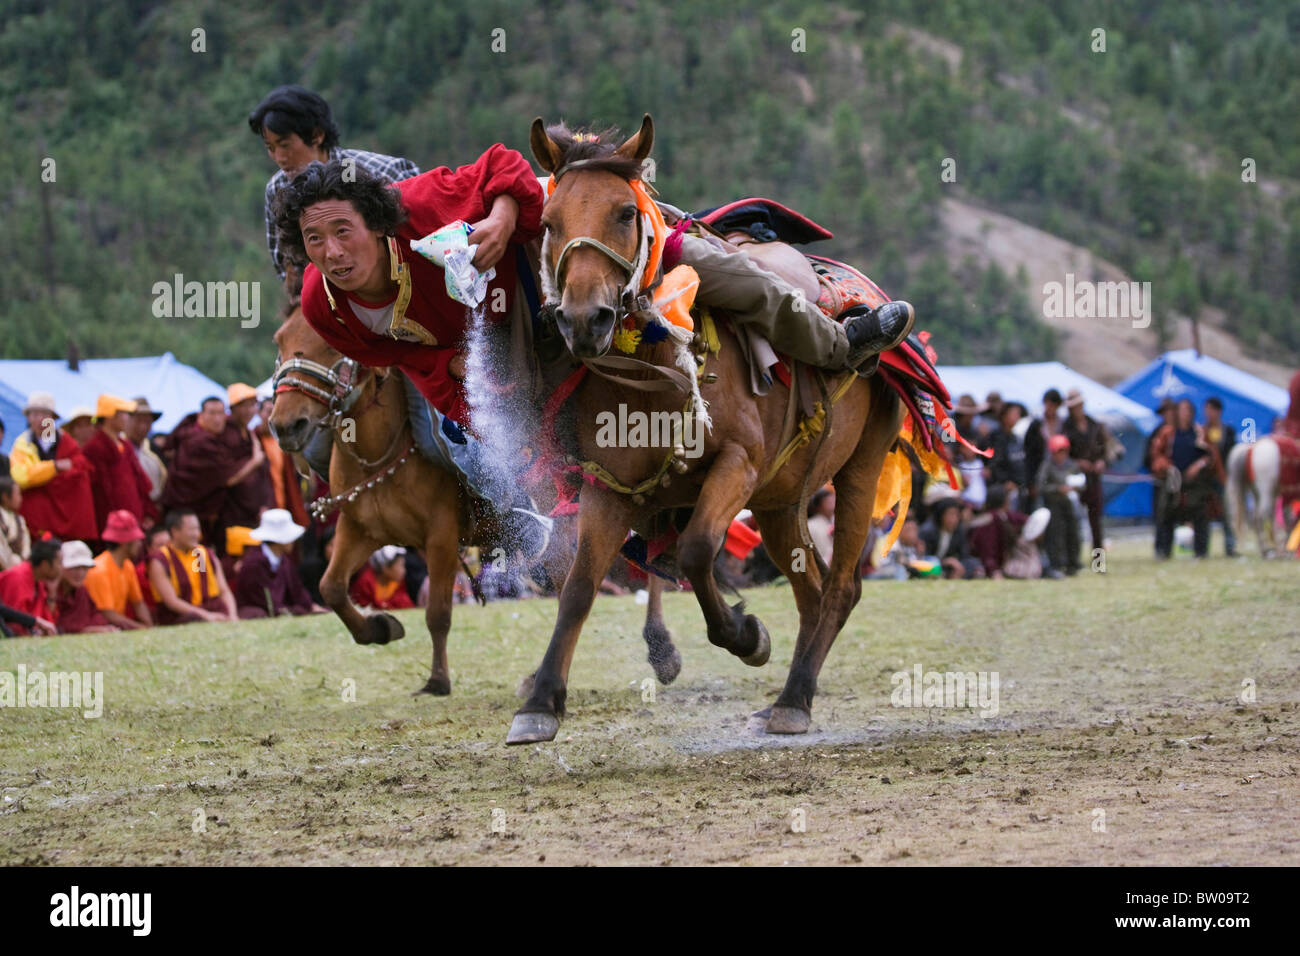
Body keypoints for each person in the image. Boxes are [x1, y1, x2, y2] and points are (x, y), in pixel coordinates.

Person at [249, 84, 420, 282]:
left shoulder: (360, 171)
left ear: (317, 135)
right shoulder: (278, 188)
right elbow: (287, 265)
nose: (279, 157)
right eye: (270, 148)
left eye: (285, 145)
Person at [162, 392, 270, 555]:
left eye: (221, 413)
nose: (217, 419)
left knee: (202, 556)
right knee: (193, 556)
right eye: (212, 413)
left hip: (205, 514)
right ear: (201, 415)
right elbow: (228, 479)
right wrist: (254, 461)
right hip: (188, 512)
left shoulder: (215, 438)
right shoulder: (199, 441)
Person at [8, 392, 98, 543]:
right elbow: (20, 476)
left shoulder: (65, 442)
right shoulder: (22, 444)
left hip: (67, 517)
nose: (39, 419)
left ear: (52, 418)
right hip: (37, 520)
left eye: (44, 414)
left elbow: (79, 469)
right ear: (28, 418)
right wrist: (54, 467)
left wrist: (41, 474)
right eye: (34, 414)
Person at [1150, 398, 1222, 559]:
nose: (1185, 414)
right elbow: (1156, 456)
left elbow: (1211, 456)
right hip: (1173, 482)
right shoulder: (1167, 433)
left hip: (1195, 484)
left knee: (1201, 515)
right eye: (1182, 410)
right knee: (1165, 515)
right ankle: (1163, 551)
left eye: (1188, 410)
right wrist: (1167, 466)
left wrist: (1199, 465)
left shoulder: (1200, 433)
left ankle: (1201, 552)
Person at [80, 394, 158, 533]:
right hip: (112, 524)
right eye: (124, 414)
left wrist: (147, 511)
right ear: (111, 416)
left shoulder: (124, 445)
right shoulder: (95, 448)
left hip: (135, 521)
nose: (127, 418)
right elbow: (101, 493)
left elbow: (139, 483)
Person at [148, 509, 238, 624]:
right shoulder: (161, 559)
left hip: (213, 611)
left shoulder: (202, 554)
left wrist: (232, 614)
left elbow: (224, 591)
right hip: (182, 616)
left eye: (197, 529)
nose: (197, 534)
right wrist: (206, 616)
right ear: (175, 531)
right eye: (191, 529)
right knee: (193, 619)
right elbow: (171, 601)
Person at [234, 509, 324, 618]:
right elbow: (268, 604)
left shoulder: (284, 562)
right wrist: (299, 610)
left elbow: (298, 592)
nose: (293, 541)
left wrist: (309, 606)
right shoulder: (253, 564)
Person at [1062, 388, 1114, 555]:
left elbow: (1105, 450)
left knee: (1096, 523)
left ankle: (1098, 562)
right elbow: (1062, 454)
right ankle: (1073, 559)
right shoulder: (1065, 428)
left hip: (1093, 478)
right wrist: (1077, 463)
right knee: (1072, 521)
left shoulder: (1094, 425)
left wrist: (1101, 462)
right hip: (1073, 480)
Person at [83, 510, 153, 630]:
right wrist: (140, 628)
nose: (140, 544)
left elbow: (138, 602)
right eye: (137, 539)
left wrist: (149, 625)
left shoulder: (128, 566)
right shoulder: (99, 570)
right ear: (125, 543)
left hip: (119, 626)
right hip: (103, 626)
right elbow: (107, 613)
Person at [968, 486, 1040, 580]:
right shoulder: (989, 520)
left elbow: (1024, 519)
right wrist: (993, 571)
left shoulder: (1003, 516)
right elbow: (987, 550)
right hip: (982, 565)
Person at [1038, 434, 1083, 575]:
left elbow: (1082, 483)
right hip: (1053, 505)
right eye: (1058, 451)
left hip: (1070, 505)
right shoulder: (1047, 466)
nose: (1061, 455)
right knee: (1055, 535)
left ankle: (1073, 563)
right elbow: (1041, 486)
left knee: (1073, 534)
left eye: (1063, 451)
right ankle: (1056, 565)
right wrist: (1058, 489)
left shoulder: (1072, 465)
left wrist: (1076, 487)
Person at [0, 537, 63, 635]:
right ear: (45, 564)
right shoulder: (18, 577)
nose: (62, 567)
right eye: (59, 562)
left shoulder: (39, 581)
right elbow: (13, 620)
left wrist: (52, 592)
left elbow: (49, 622)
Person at [51, 541, 116, 634]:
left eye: (85, 568)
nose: (80, 574)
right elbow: (53, 624)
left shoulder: (81, 591)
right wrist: (84, 630)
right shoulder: (51, 590)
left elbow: (96, 615)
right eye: (75, 568)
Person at [1202, 396, 1236, 557]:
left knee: (1227, 512)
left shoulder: (1227, 431)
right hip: (1207, 479)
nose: (1208, 413)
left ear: (1218, 411)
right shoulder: (1202, 431)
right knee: (1205, 514)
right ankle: (1202, 549)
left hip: (1224, 478)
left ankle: (1230, 547)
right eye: (1206, 409)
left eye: (1211, 409)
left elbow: (1231, 454)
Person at [1023, 388, 1065, 511]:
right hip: (1039, 470)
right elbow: (1029, 454)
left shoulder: (1062, 424)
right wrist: (1030, 482)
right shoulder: (1036, 425)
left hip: (1057, 470)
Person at [920, 498, 981, 579]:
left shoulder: (959, 531)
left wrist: (957, 564)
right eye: (950, 514)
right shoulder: (928, 531)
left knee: (973, 563)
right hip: (933, 564)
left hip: (950, 566)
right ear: (941, 515)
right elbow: (924, 556)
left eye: (957, 515)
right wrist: (945, 561)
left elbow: (964, 554)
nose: (954, 519)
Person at [987, 400, 1029, 511]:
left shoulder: (1016, 438)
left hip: (1019, 486)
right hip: (1003, 488)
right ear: (1004, 416)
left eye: (1018, 414)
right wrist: (1005, 482)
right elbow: (994, 463)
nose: (1017, 417)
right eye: (1014, 414)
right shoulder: (996, 437)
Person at [126, 397, 167, 505]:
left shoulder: (154, 455)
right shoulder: (117, 449)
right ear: (127, 420)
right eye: (138, 421)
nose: (143, 426)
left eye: (147, 421)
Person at [350, 546, 415, 610]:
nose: (404, 570)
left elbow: (405, 604)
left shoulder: (397, 582)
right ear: (385, 568)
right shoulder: (365, 583)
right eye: (400, 565)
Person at [0, 476, 32, 571]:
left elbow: (26, 548)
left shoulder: (20, 520)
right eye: (18, 494)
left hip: (19, 569)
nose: (20, 499)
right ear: (5, 497)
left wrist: (23, 563)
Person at [807, 487, 835, 567]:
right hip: (820, 566)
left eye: (834, 500)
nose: (833, 503)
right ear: (819, 506)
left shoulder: (836, 521)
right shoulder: (811, 525)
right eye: (829, 502)